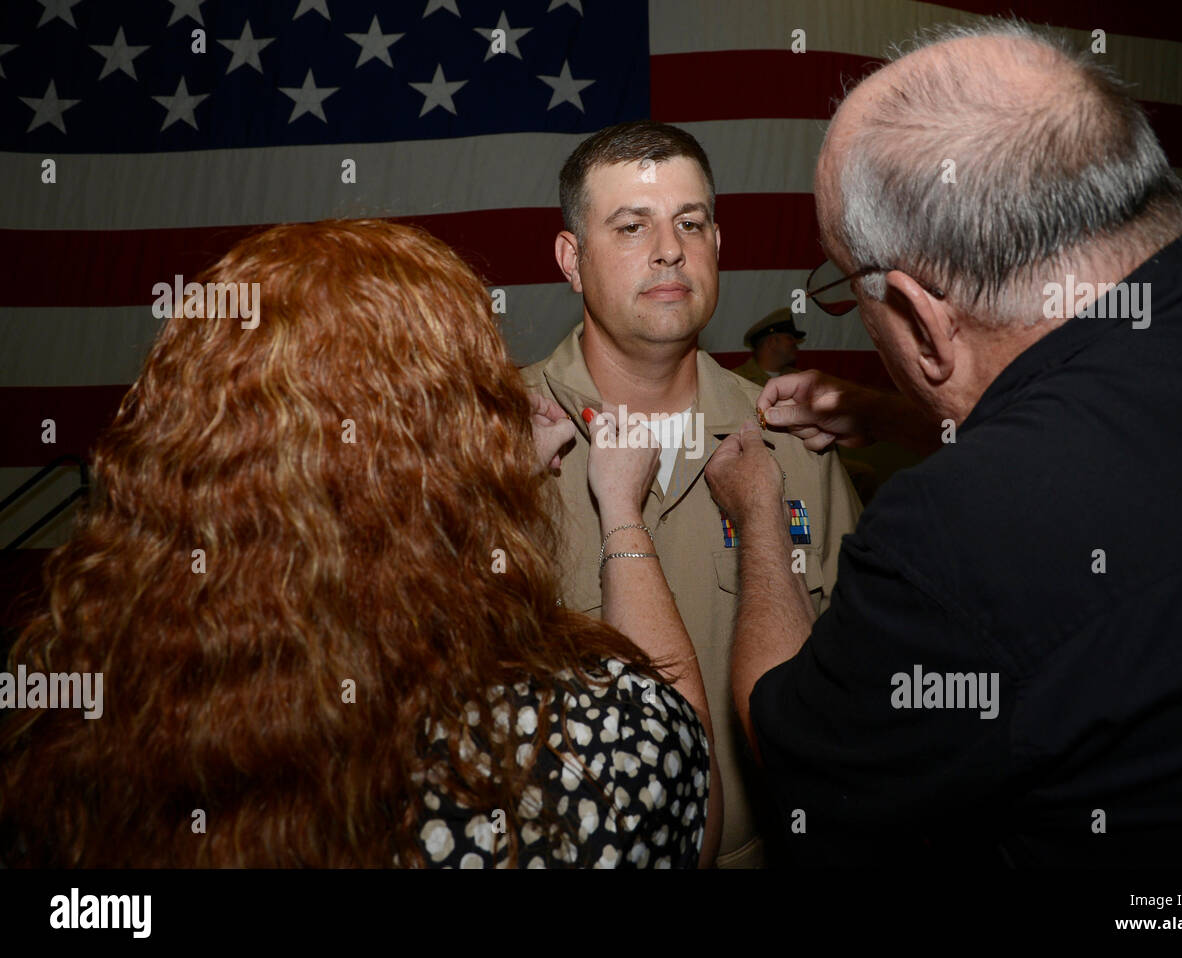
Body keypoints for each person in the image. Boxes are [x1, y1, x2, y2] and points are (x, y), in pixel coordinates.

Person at [704, 20, 1182, 865]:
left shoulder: (952, 536)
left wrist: (759, 517)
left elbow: (793, 750)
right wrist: (908, 418)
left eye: (850, 293)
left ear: (920, 316)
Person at [0, 219, 720, 869]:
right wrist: (617, 511)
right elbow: (692, 791)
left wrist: (471, 479)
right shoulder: (575, 754)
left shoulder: (72, 723)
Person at [523, 120, 861, 867]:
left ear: (719, 244)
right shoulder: (497, 447)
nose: (669, 248)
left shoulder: (794, 445)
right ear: (571, 260)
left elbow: (854, 703)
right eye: (631, 226)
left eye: (690, 222)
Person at [731, 308, 804, 387]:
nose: (795, 343)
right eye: (789, 338)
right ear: (771, 342)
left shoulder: (801, 378)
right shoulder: (736, 380)